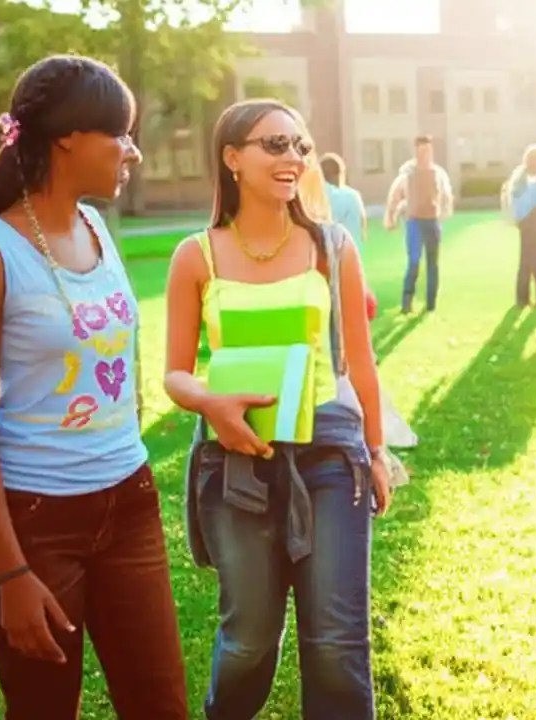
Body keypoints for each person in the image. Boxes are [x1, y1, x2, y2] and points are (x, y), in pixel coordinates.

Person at [0, 55, 187, 718]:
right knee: (46, 708)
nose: (132, 151)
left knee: (160, 704)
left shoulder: (95, 227)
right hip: (35, 523)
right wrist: (12, 572)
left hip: (128, 503)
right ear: (69, 139)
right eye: (121, 134)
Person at [165, 99, 393, 718]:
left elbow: (362, 364)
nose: (291, 157)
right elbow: (175, 374)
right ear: (232, 158)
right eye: (274, 144)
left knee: (338, 646)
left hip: (328, 454)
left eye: (299, 145)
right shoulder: (197, 255)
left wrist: (375, 449)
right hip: (235, 461)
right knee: (247, 643)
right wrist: (211, 404)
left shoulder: (333, 246)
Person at [384, 135, 453, 313]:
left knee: (433, 263)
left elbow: (446, 194)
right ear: (416, 151)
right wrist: (390, 216)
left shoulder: (438, 173)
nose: (425, 154)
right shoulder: (407, 172)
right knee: (414, 261)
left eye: (427, 150)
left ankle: (431, 304)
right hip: (414, 222)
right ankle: (407, 301)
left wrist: (445, 211)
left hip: (432, 222)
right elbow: (395, 194)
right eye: (421, 150)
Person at [507, 143, 536, 307]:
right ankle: (524, 297)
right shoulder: (521, 176)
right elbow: (515, 199)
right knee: (528, 260)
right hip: (527, 221)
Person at [320, 152, 367, 245]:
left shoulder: (311, 195)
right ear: (339, 174)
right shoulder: (351, 196)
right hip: (349, 249)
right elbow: (362, 224)